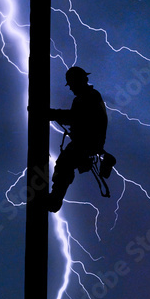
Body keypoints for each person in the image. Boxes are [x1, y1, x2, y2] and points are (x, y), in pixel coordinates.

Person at [44, 66, 108, 213]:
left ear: (78, 81)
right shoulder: (87, 97)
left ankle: (55, 200)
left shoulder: (89, 97)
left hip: (87, 142)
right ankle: (55, 198)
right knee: (64, 165)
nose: (71, 88)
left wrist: (51, 114)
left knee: (64, 164)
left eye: (71, 84)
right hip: (88, 142)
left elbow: (75, 117)